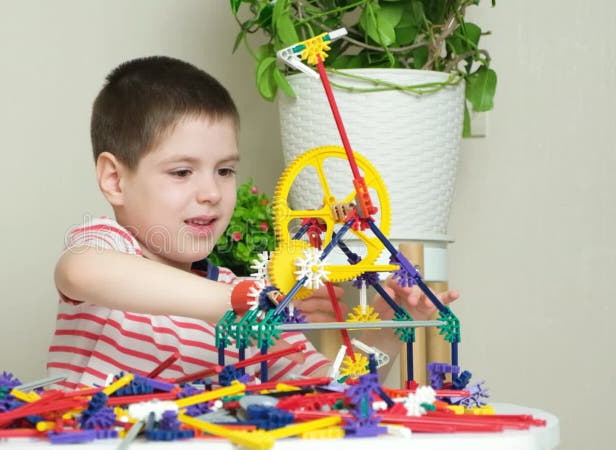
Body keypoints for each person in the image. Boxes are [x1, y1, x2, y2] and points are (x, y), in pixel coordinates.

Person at [47, 56, 457, 388]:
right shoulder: (108, 244)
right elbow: (81, 271)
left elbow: (336, 395)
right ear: (115, 179)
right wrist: (242, 301)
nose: (211, 192)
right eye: (181, 172)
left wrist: (386, 328)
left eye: (224, 170)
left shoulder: (255, 302)